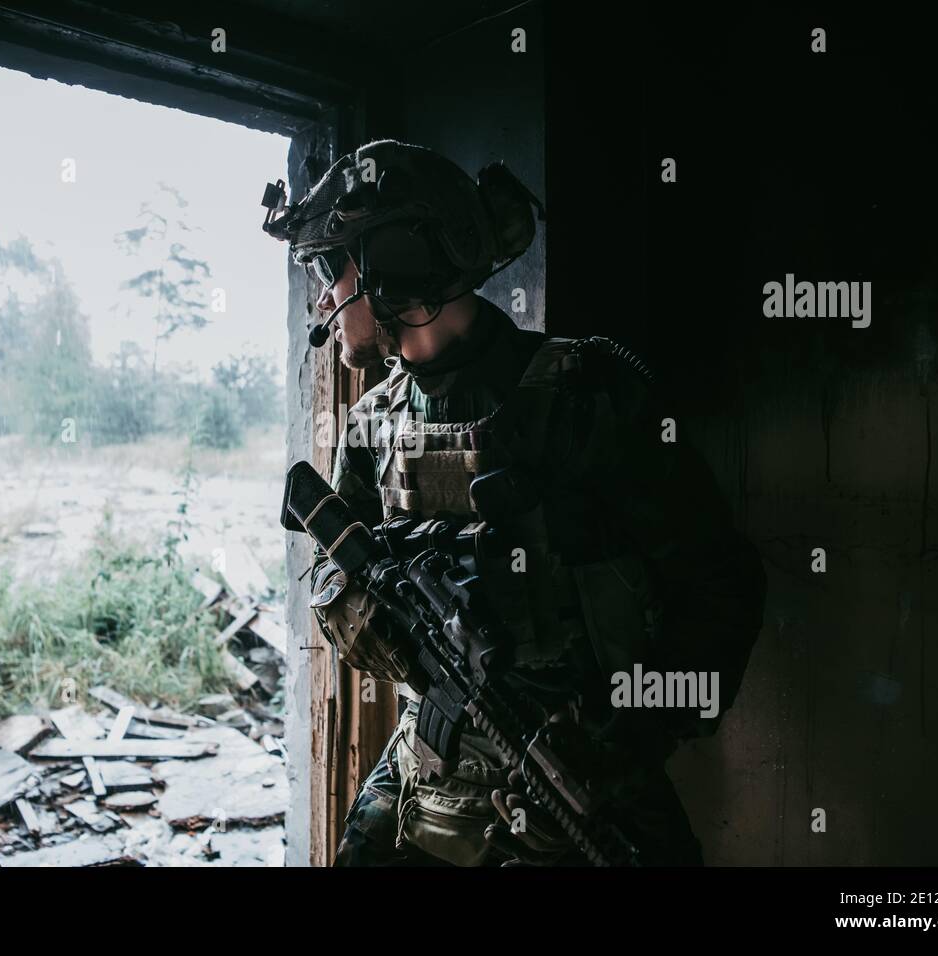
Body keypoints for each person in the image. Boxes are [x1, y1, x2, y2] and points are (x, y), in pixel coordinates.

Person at [263, 139, 767, 866]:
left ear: (393, 262)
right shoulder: (373, 425)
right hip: (426, 762)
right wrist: (382, 618)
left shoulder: (583, 399)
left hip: (574, 784)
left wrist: (625, 740)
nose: (322, 298)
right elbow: (336, 580)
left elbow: (719, 586)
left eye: (329, 268)